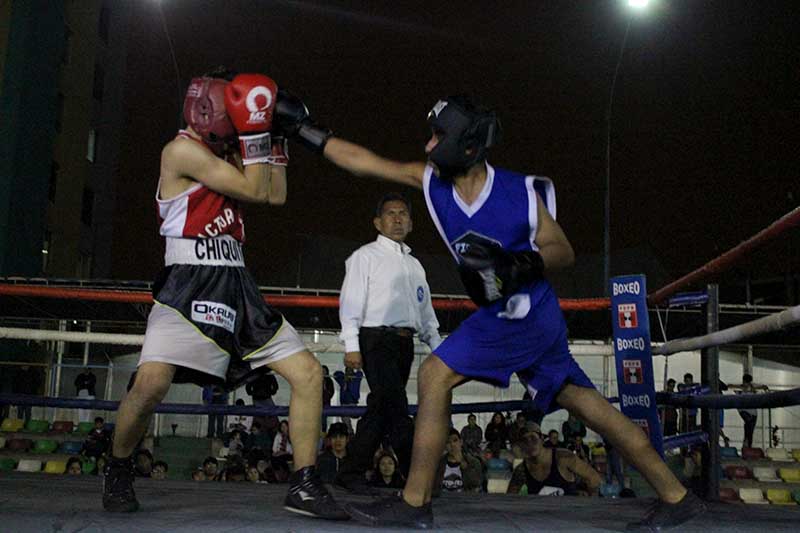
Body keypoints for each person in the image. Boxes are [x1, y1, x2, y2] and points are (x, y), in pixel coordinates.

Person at [275, 92, 705, 529]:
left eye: (437, 136)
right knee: (587, 403)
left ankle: (414, 501)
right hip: (533, 321)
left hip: (522, 314)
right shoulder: (432, 183)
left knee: (434, 375)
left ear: (466, 146)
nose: (428, 145)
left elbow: (562, 249)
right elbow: (364, 162)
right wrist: (304, 132)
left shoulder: (519, 191)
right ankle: (676, 495)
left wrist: (521, 264)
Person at [101, 69, 347, 520]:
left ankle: (305, 485)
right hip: (187, 280)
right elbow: (255, 187)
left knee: (309, 374)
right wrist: (256, 128)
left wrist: (278, 137)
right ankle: (117, 469)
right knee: (151, 382)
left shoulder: (226, 151)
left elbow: (273, 195)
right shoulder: (179, 150)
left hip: (235, 281)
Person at [335, 192, 442, 486]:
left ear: (411, 223)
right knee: (396, 408)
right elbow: (351, 303)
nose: (397, 219)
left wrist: (442, 352)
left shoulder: (415, 265)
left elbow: (425, 314)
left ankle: (350, 472)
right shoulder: (364, 256)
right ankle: (419, 477)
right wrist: (352, 346)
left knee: (380, 410)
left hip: (404, 343)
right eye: (391, 214)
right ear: (378, 222)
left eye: (403, 214)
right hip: (376, 339)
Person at [507, 424, 601, 496]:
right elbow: (509, 500)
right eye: (525, 441)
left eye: (533, 438)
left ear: (542, 439)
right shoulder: (521, 470)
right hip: (542, 518)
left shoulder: (562, 457)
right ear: (522, 445)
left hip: (569, 516)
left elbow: (594, 478)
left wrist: (590, 505)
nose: (530, 444)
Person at [435, 428, 482, 494]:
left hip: (465, 501)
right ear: (445, 446)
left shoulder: (474, 462)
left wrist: (464, 465)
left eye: (455, 440)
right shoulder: (438, 463)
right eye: (448, 442)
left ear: (461, 442)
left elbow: (476, 485)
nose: (452, 445)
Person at [735, 373, 768, 449]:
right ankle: (746, 443)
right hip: (743, 410)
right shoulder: (740, 388)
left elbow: (764, 387)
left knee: (750, 431)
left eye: (748, 382)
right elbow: (731, 387)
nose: (746, 384)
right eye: (745, 382)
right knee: (748, 422)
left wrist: (756, 389)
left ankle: (748, 446)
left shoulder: (753, 387)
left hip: (753, 412)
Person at [332, 366, 363, 435]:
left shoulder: (355, 379)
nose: (349, 372)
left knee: (362, 416)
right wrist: (345, 379)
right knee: (345, 417)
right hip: (344, 404)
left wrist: (352, 376)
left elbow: (360, 373)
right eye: (347, 371)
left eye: (351, 370)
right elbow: (336, 374)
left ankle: (360, 433)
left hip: (353, 404)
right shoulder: (343, 380)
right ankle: (350, 433)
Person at [322, 365, 335, 432]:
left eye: (324, 371)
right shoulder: (316, 380)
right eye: (322, 371)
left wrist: (324, 388)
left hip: (325, 404)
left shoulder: (329, 381)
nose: (323, 372)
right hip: (316, 404)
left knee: (323, 421)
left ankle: (323, 435)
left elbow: (331, 393)